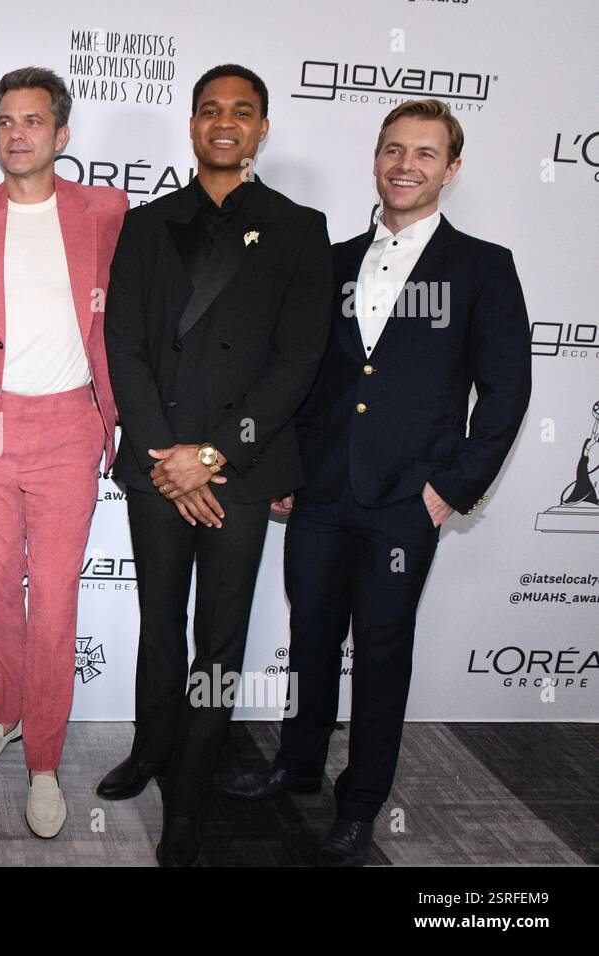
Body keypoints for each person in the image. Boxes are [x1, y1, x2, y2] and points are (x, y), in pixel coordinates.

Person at [224, 98, 532, 865]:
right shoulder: (328, 259)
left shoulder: (484, 267)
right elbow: (300, 374)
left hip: (407, 501)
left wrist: (452, 488)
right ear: (375, 157)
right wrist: (287, 464)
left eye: (425, 154)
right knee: (310, 641)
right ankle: (297, 766)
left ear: (450, 170)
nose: (406, 165)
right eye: (394, 149)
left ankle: (361, 803)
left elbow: (507, 392)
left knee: (384, 653)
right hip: (322, 491)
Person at [100, 64, 333, 866]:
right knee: (159, 625)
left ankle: (190, 796)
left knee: (221, 643)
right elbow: (123, 343)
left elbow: (297, 359)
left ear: (263, 128)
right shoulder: (146, 222)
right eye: (209, 110)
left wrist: (211, 455)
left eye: (242, 111)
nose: (224, 122)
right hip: (159, 464)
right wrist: (169, 457)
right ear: (192, 125)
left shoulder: (302, 229)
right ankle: (150, 749)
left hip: (240, 467)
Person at [0, 67, 127, 838]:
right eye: (7, 121)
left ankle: (43, 759)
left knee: (52, 601)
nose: (18, 134)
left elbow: (130, 312)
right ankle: (5, 714)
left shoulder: (106, 211)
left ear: (62, 134)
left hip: (69, 429)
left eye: (33, 121)